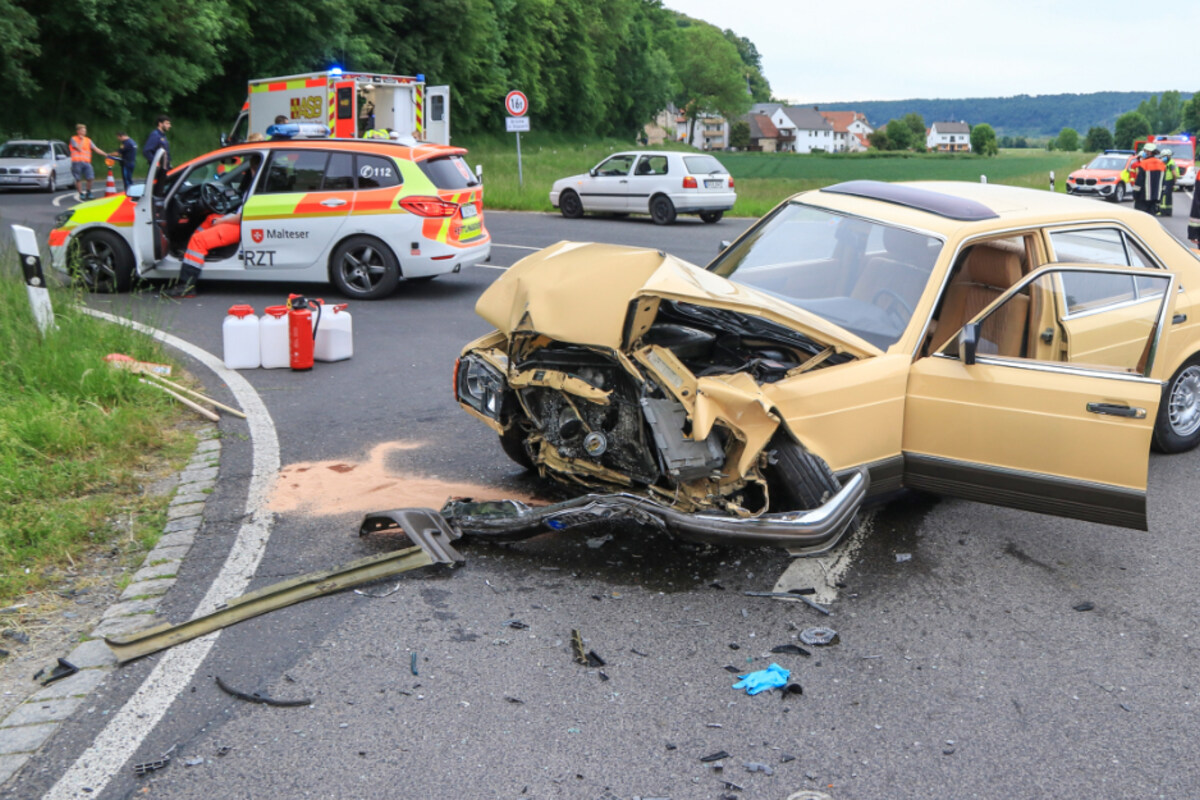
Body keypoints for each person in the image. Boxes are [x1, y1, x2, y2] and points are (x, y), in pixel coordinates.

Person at [163, 157, 259, 299]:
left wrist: (222, 221)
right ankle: (191, 252)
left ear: (253, 169)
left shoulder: (257, 187)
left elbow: (243, 217)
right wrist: (221, 219)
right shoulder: (257, 184)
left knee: (198, 240)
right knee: (211, 217)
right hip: (241, 221)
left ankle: (186, 286)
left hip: (242, 225)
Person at [69, 124, 110, 200]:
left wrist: (106, 154)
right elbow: (79, 149)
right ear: (78, 131)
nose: (84, 132)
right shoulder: (73, 139)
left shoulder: (88, 140)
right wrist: (81, 140)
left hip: (86, 162)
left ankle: (88, 192)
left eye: (85, 131)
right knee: (78, 179)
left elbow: (95, 149)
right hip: (76, 162)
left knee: (90, 177)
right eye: (82, 131)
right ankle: (81, 194)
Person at [1159, 148, 1178, 217]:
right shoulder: (1169, 162)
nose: (1162, 158)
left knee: (1164, 196)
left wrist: (1174, 182)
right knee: (1168, 197)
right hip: (1169, 181)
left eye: (1163, 156)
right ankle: (1168, 211)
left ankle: (1163, 211)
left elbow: (1174, 174)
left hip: (1168, 181)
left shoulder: (1170, 163)